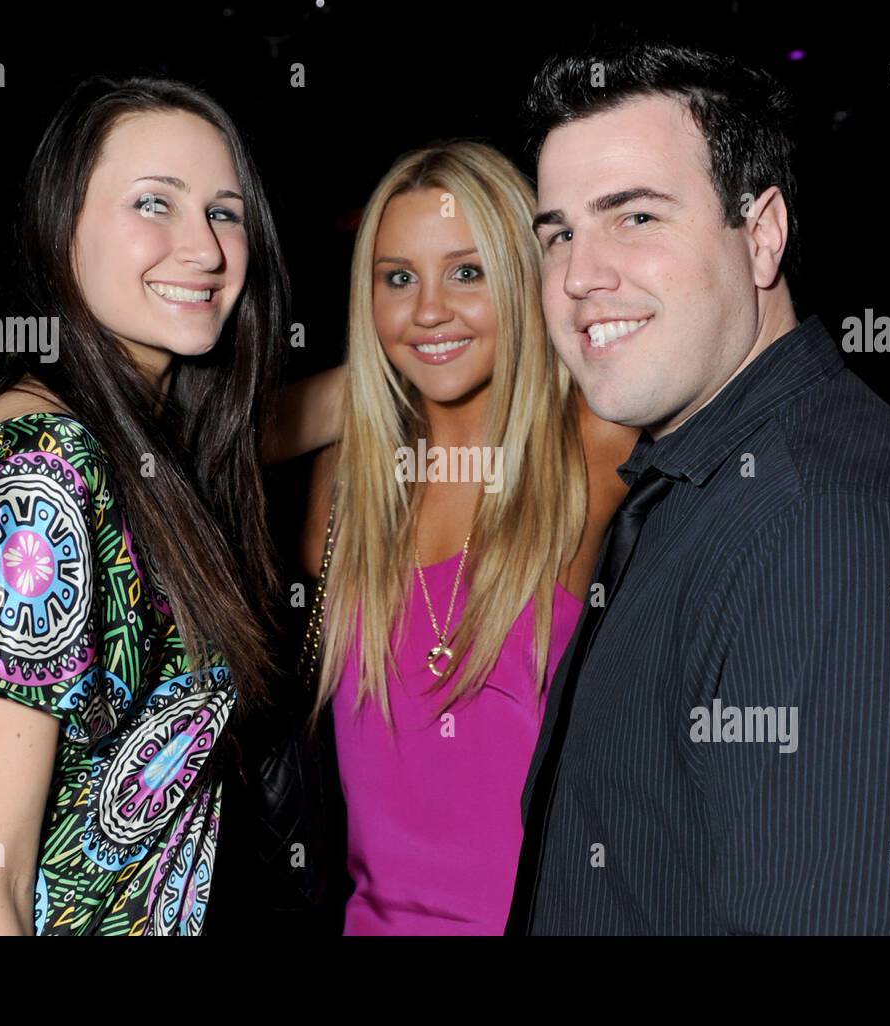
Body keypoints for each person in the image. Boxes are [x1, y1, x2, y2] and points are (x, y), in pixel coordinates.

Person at [509, 41, 890, 935]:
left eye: (634, 218)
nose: (576, 277)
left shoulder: (836, 535)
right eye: (559, 231)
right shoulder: (702, 476)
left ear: (761, 235)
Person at [0, 75, 289, 935]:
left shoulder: (142, 444)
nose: (206, 249)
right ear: (61, 225)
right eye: (155, 204)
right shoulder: (38, 470)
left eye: (225, 212)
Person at [300, 140, 636, 935]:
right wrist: (375, 375)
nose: (428, 308)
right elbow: (181, 448)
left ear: (525, 278)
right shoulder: (348, 481)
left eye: (467, 271)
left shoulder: (590, 450)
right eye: (397, 279)